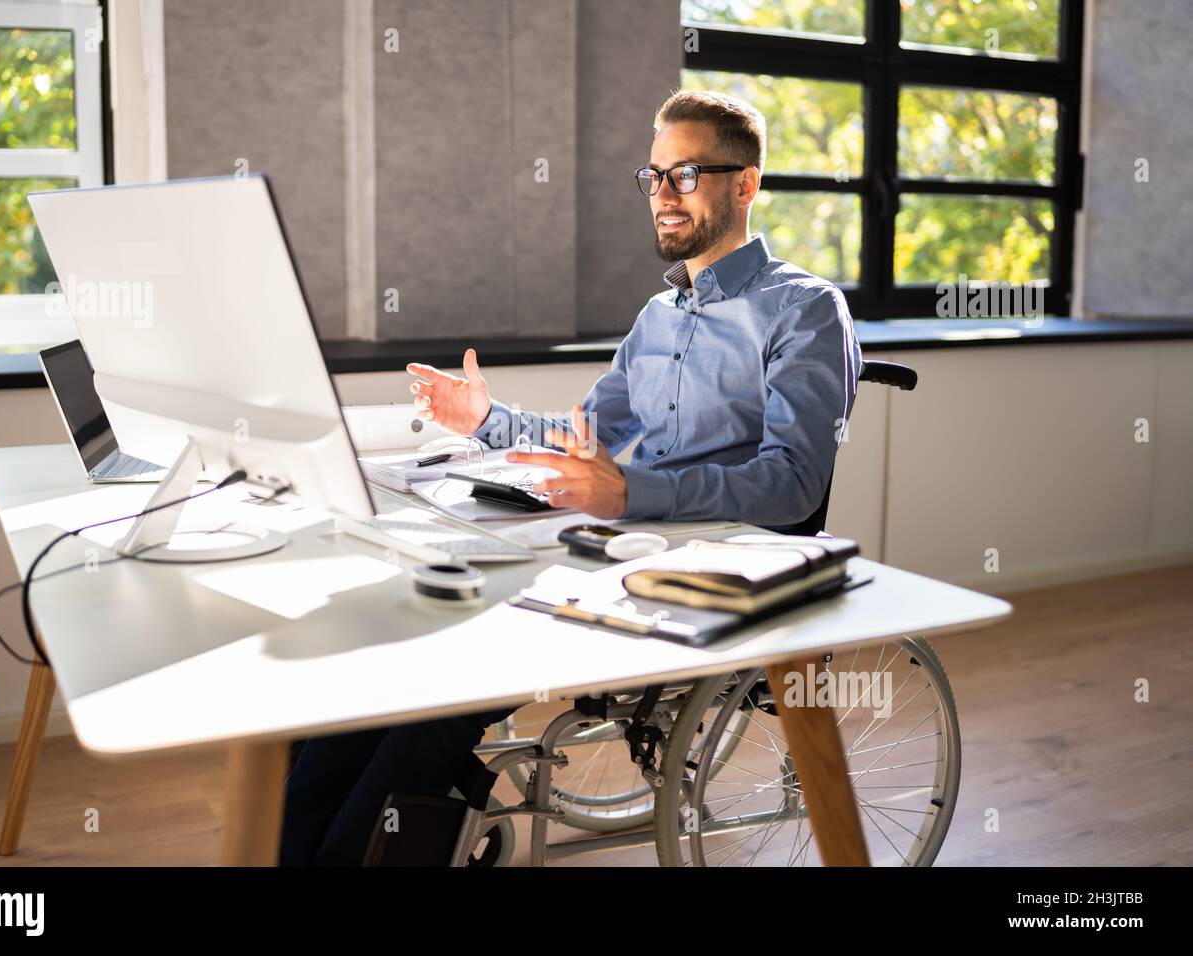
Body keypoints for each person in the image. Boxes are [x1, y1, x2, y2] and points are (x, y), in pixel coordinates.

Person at [279, 89, 861, 866]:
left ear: (745, 183)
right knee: (381, 650)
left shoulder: (805, 310)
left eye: (683, 175)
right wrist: (485, 419)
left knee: (437, 692)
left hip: (693, 576)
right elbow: (581, 441)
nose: (661, 195)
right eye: (652, 176)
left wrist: (633, 492)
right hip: (597, 546)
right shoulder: (658, 318)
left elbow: (791, 484)